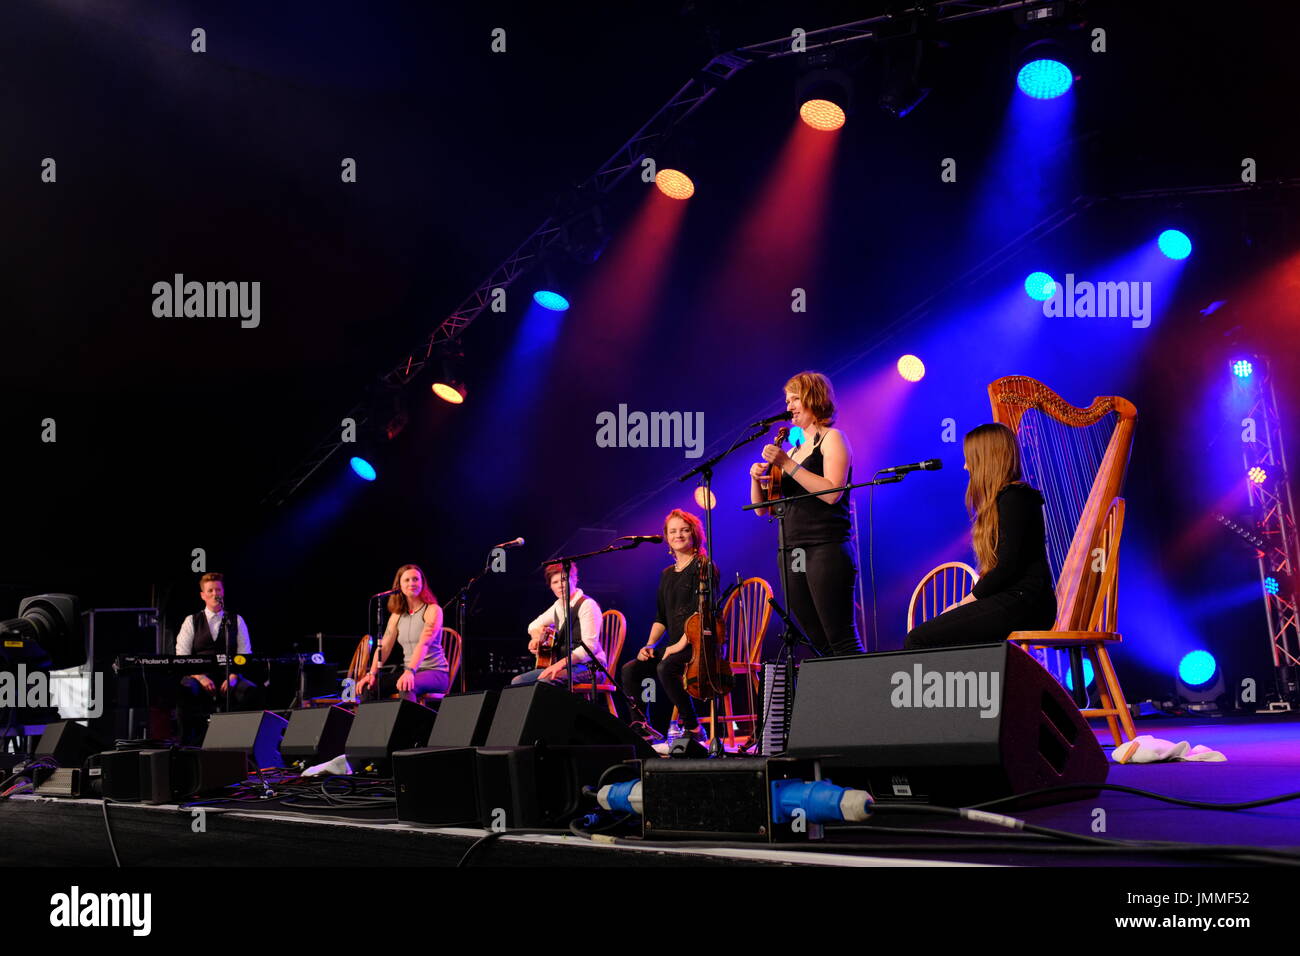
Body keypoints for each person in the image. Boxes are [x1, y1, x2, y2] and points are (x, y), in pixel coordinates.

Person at [904, 423, 1057, 649]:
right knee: (937, 636)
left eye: (970, 459)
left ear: (987, 460)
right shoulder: (1007, 499)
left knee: (919, 639)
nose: (966, 466)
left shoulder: (1016, 498)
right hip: (1015, 599)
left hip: (1026, 602)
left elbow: (1007, 567)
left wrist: (962, 604)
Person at [749, 371, 864, 657]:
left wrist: (786, 464)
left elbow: (831, 493)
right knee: (817, 639)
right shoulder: (794, 450)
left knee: (841, 636)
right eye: (787, 400)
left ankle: (867, 698)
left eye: (795, 399)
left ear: (814, 398)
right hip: (791, 551)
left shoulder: (833, 438)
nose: (789, 406)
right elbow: (763, 510)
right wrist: (755, 480)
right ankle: (840, 699)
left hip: (825, 547)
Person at [620, 508, 719, 748]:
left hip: (700, 645)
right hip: (676, 645)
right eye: (673, 531)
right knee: (631, 669)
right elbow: (661, 617)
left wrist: (679, 644)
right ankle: (643, 729)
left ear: (694, 534)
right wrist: (650, 644)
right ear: (666, 536)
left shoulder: (704, 566)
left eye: (684, 530)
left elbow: (702, 612)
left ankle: (693, 727)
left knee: (666, 666)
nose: (679, 535)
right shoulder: (666, 574)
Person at [174, 572, 256, 745]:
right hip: (200, 676)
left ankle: (244, 744)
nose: (214, 594)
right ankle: (188, 745)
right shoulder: (191, 621)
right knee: (185, 690)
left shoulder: (237, 620)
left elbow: (245, 653)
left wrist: (233, 676)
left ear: (223, 593)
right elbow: (182, 655)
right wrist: (199, 676)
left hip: (229, 675)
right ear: (203, 595)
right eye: (210, 590)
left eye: (217, 589)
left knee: (250, 692)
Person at [355, 564, 450, 701]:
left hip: (435, 673)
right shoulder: (397, 615)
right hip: (410, 672)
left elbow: (423, 644)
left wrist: (410, 671)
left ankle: (408, 723)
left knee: (406, 685)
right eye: (407, 580)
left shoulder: (433, 610)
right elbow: (385, 647)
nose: (412, 583)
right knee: (369, 686)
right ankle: (373, 722)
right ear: (399, 585)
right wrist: (371, 673)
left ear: (422, 583)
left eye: (416, 579)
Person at [512, 563, 605, 687]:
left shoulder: (587, 605)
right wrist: (536, 638)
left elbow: (589, 647)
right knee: (518, 682)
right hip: (566, 665)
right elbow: (533, 625)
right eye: (555, 582)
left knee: (546, 681)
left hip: (590, 667)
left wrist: (559, 664)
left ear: (574, 579)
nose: (560, 585)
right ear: (550, 586)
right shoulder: (558, 606)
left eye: (564, 580)